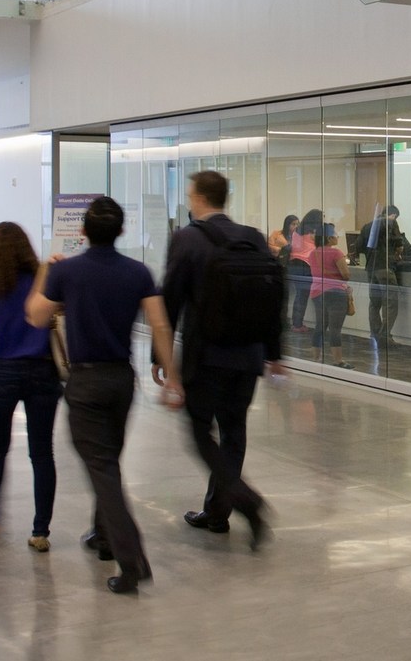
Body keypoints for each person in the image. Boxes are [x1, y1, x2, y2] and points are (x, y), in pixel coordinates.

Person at [27, 197, 183, 594]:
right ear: (122, 231)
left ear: (83, 232)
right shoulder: (137, 272)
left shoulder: (68, 272)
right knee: (108, 458)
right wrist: (173, 378)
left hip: (85, 381)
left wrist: (47, 268)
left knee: (102, 469)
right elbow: (161, 326)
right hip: (121, 381)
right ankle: (102, 536)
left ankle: (131, 560)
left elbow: (35, 316)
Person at [160, 170, 280, 547]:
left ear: (197, 198)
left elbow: (171, 301)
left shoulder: (187, 239)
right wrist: (274, 353)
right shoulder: (253, 237)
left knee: (198, 431)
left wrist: (161, 357)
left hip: (206, 355)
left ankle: (247, 502)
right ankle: (216, 512)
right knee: (234, 432)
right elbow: (273, 297)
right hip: (248, 355)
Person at [0, 221, 61, 552]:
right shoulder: (41, 281)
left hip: (4, 375)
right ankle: (41, 531)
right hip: (43, 373)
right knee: (42, 452)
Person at [363, 204, 406, 351]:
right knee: (390, 303)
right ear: (393, 215)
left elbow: (359, 246)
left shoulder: (367, 226)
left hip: (370, 268)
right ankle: (385, 337)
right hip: (385, 267)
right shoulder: (391, 222)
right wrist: (397, 253)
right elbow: (399, 244)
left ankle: (376, 334)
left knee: (374, 303)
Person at [308, 221, 351, 368]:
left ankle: (316, 358)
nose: (337, 235)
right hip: (335, 292)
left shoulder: (312, 253)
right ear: (328, 238)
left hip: (316, 292)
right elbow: (346, 275)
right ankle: (338, 360)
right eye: (334, 233)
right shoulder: (336, 253)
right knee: (335, 328)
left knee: (320, 326)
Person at [287, 208, 321, 336]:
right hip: (306, 265)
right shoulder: (314, 233)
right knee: (303, 295)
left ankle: (296, 323)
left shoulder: (297, 231)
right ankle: (298, 324)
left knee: (299, 295)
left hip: (294, 263)